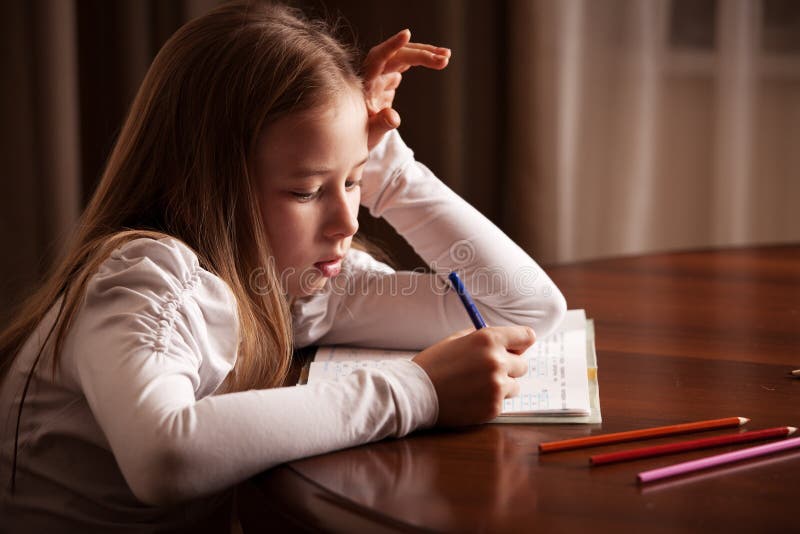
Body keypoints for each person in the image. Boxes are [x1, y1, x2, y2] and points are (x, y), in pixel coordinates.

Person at [0, 1, 566, 531]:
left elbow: (524, 308)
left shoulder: (294, 283)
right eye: (304, 191)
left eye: (352, 181)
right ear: (205, 188)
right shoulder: (144, 278)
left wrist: (386, 169)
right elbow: (164, 456)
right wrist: (416, 391)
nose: (348, 222)